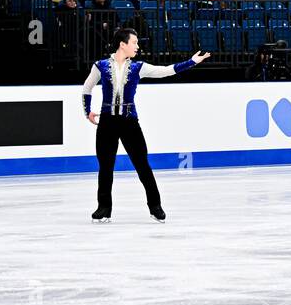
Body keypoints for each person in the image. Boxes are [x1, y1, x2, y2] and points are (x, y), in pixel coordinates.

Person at [81, 28, 209, 223]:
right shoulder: (100, 66)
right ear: (123, 44)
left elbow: (165, 71)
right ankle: (103, 208)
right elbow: (87, 87)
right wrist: (87, 110)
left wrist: (191, 62)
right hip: (107, 122)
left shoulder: (139, 67)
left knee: (142, 165)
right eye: (135, 42)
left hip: (129, 122)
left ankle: (155, 206)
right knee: (105, 167)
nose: (137, 46)